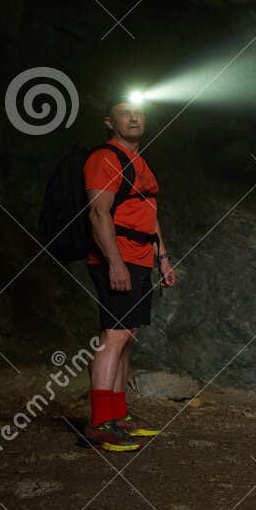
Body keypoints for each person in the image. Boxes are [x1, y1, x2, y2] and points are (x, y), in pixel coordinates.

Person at [80, 95, 177, 451]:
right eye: (125, 113)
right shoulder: (104, 158)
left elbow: (147, 213)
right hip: (116, 257)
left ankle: (118, 416)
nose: (134, 118)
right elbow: (98, 214)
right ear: (110, 121)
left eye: (139, 113)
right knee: (114, 336)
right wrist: (115, 262)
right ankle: (100, 424)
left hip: (139, 257)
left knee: (127, 335)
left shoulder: (138, 160)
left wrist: (162, 257)